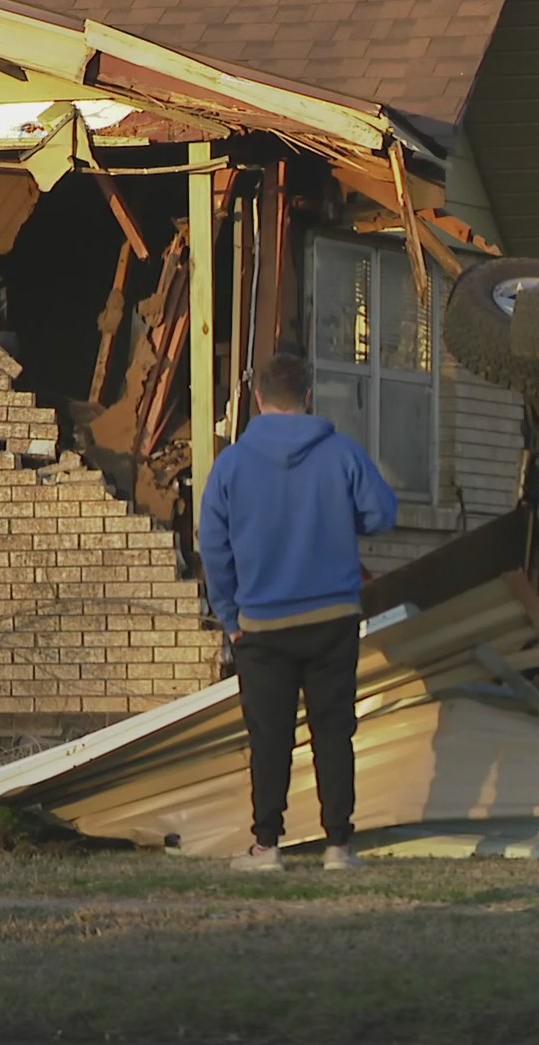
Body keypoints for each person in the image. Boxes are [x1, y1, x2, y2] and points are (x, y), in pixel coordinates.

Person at [199, 351, 398, 872]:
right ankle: (338, 847)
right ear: (309, 398)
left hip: (261, 626)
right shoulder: (342, 453)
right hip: (332, 617)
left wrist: (229, 617)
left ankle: (267, 846)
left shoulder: (232, 464)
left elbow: (213, 548)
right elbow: (381, 515)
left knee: (270, 737)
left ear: (259, 400)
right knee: (334, 731)